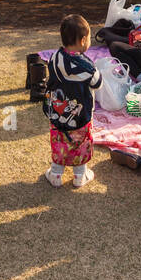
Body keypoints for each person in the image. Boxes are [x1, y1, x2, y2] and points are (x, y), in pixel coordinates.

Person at [42, 14, 102, 188]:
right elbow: (98, 83)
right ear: (83, 40)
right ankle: (79, 176)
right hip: (80, 115)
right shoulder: (87, 66)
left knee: (59, 141)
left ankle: (55, 174)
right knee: (80, 143)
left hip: (57, 113)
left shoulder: (54, 58)